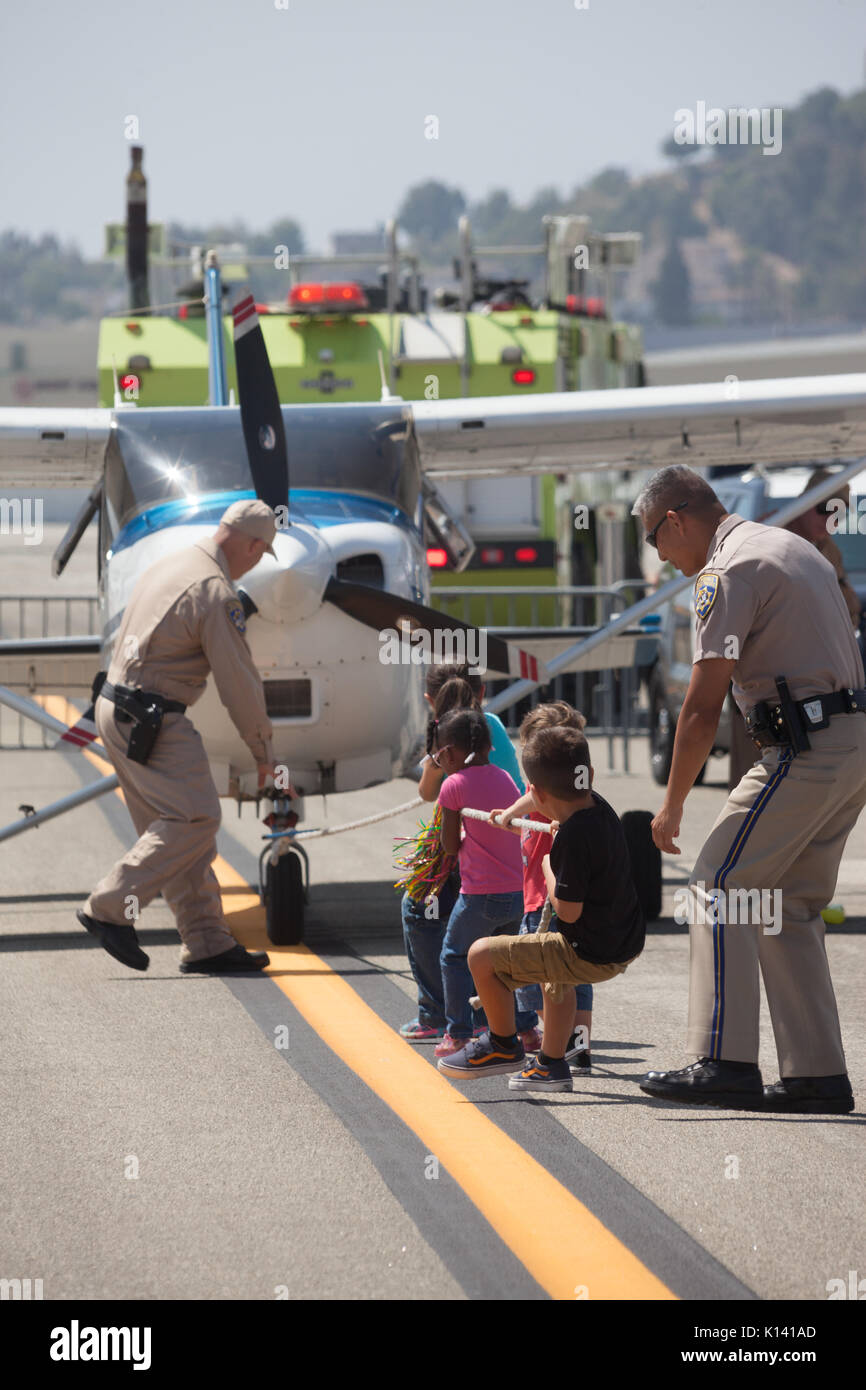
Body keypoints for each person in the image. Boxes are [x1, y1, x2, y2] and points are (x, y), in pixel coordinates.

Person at [633, 464, 866, 1113]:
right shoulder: (790, 546)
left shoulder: (728, 568)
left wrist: (673, 804)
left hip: (804, 747)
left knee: (716, 885)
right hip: (850, 746)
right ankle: (816, 1076)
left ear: (676, 518)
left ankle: (723, 1060)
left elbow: (702, 707)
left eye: (656, 539)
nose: (660, 556)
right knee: (786, 904)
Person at [77, 499, 279, 975]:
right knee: (195, 819)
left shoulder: (173, 562)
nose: (256, 562)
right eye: (262, 552)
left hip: (117, 708)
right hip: (152, 718)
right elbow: (239, 683)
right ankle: (107, 908)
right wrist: (264, 752)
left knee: (175, 829)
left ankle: (207, 941)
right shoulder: (215, 591)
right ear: (252, 544)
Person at [437, 724, 644, 1091]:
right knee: (554, 977)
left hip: (587, 950)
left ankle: (502, 1044)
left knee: (480, 955)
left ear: (536, 790)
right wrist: (512, 812)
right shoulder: (599, 808)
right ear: (588, 776)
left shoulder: (569, 838)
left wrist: (548, 866)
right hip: (622, 941)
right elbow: (544, 793)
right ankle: (551, 1065)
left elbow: (567, 912)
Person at [398, 663, 526, 1042]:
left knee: (420, 909)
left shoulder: (445, 742)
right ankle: (513, 1022)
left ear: (428, 701)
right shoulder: (491, 729)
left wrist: (435, 759)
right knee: (505, 950)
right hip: (515, 860)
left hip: (478, 864)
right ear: (482, 694)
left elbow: (431, 802)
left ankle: (444, 1020)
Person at [727, 467, 863, 791]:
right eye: (824, 509)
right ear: (805, 503)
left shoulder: (828, 551)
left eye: (839, 514)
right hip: (764, 689)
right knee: (754, 787)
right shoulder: (769, 536)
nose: (831, 521)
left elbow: (848, 608)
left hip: (810, 689)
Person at [489, 701, 594, 1073]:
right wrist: (513, 824)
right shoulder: (577, 794)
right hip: (575, 900)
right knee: (575, 976)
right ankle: (578, 1048)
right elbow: (535, 833)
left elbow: (532, 800)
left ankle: (556, 1045)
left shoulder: (543, 790)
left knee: (544, 981)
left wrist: (507, 815)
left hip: (543, 902)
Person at [426, 707, 527, 1058]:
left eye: (439, 755)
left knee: (454, 956)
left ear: (449, 754)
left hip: (479, 896)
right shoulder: (504, 777)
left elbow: (449, 846)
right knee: (509, 963)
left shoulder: (453, 785)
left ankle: (458, 1033)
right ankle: (524, 1030)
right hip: (517, 893)